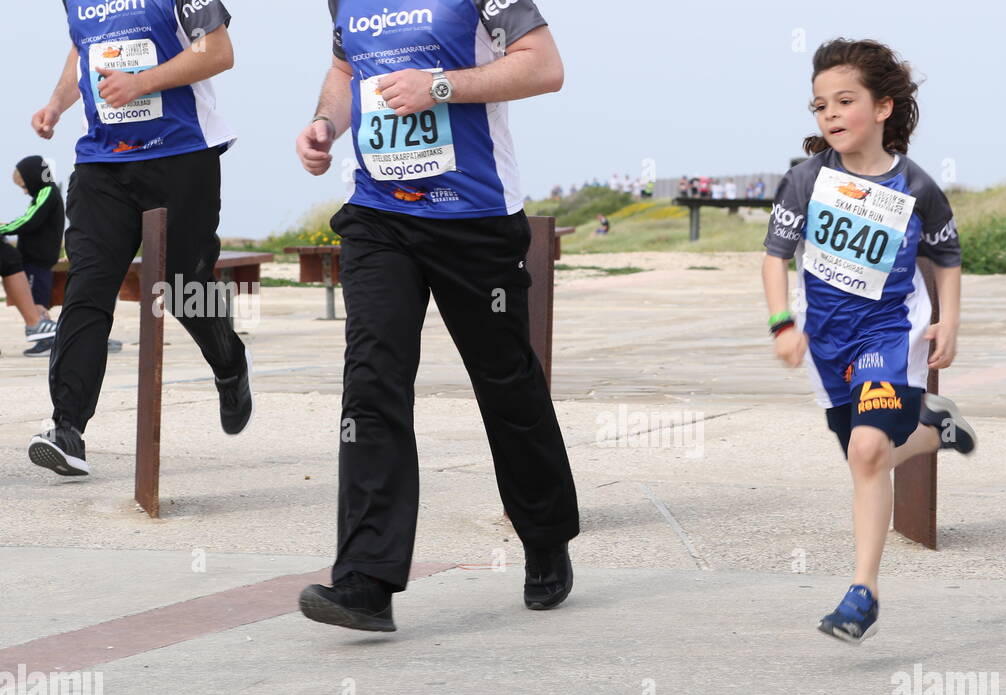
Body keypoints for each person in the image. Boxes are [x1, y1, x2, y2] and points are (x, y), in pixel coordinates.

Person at [294, 0, 580, 632]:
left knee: (504, 379)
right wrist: (323, 123)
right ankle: (365, 580)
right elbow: (346, 71)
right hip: (377, 216)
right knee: (372, 381)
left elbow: (544, 67)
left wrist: (440, 86)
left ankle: (545, 533)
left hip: (473, 216)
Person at [762, 38, 976, 645]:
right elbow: (775, 258)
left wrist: (949, 321)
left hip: (888, 332)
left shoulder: (916, 185)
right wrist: (782, 323)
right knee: (868, 456)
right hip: (825, 340)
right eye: (819, 106)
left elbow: (947, 255)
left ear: (882, 108)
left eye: (844, 101)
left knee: (865, 453)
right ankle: (938, 429)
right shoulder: (804, 181)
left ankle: (863, 592)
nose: (830, 115)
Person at [25, 0, 250, 480]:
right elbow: (81, 50)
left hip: (182, 152)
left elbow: (218, 52)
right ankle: (66, 428)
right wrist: (56, 104)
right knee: (87, 286)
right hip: (102, 163)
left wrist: (141, 82)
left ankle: (229, 364)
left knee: (185, 287)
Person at [0, 156, 62, 355]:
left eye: (24, 186)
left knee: (37, 301)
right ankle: (48, 338)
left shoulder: (47, 193)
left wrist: (4, 229)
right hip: (38, 259)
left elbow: (30, 221)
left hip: (38, 259)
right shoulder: (46, 194)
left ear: (33, 178)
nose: (25, 191)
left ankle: (46, 341)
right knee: (38, 299)